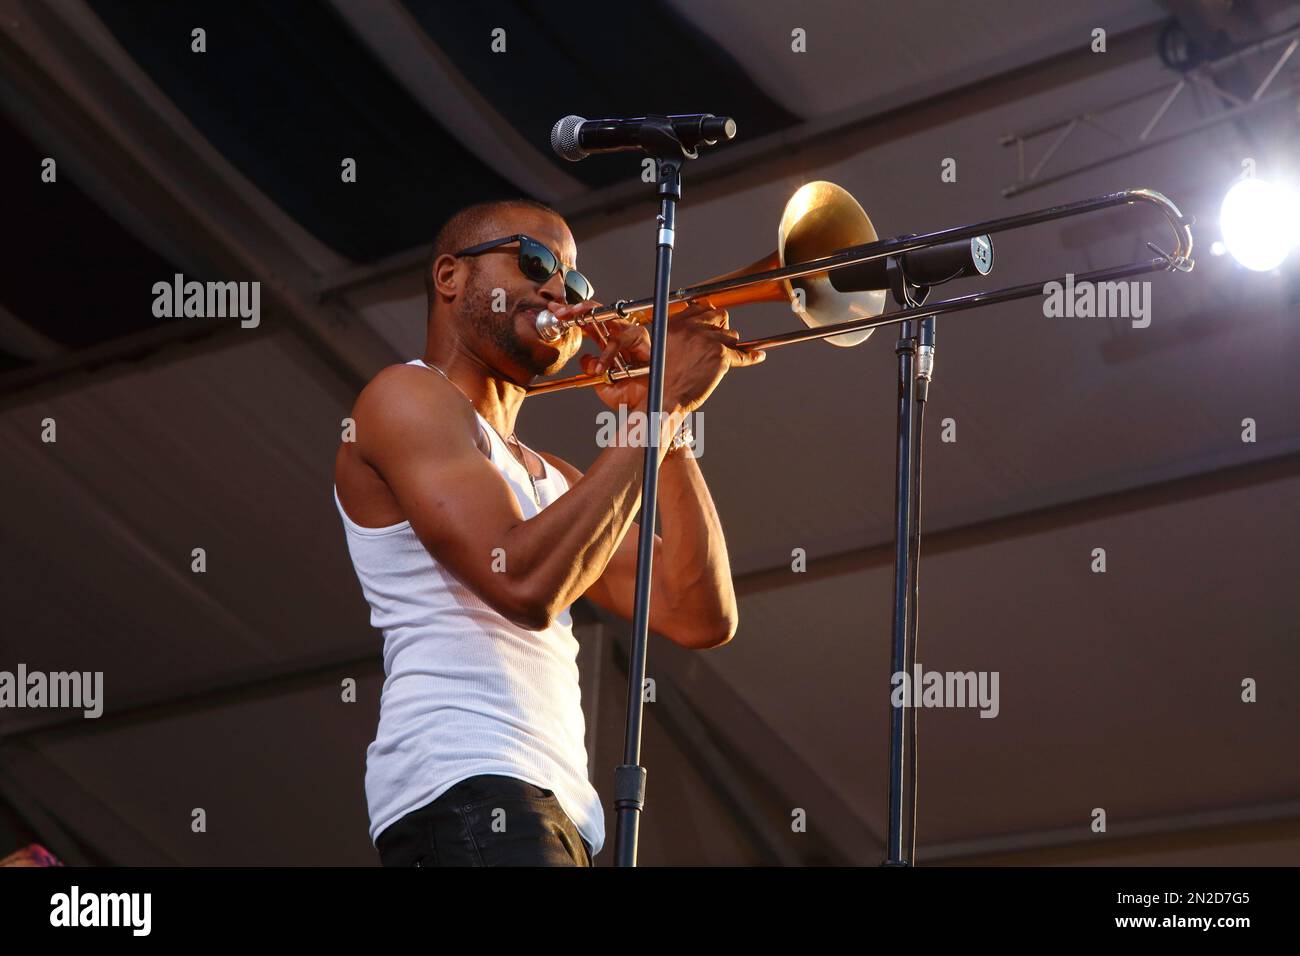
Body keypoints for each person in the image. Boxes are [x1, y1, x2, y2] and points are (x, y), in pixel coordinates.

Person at [333, 197, 764, 866]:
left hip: (557, 813)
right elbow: (522, 580)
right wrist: (661, 406)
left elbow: (698, 613)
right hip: (469, 784)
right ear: (451, 277)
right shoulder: (402, 397)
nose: (560, 290)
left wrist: (665, 425)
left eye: (575, 281)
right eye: (534, 261)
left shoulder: (556, 479)